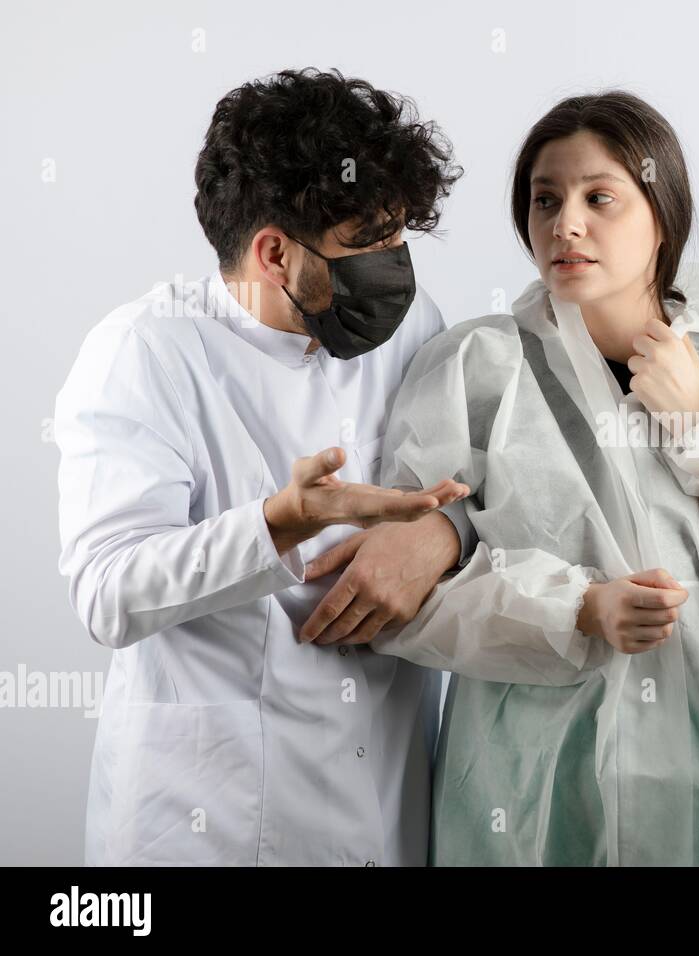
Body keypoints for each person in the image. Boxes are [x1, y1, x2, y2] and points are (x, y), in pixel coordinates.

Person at [345, 91, 699, 865]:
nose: (565, 224)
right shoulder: (477, 370)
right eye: (544, 200)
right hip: (525, 805)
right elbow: (404, 603)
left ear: (664, 217)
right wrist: (575, 611)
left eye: (599, 198)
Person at [54, 68, 471, 866]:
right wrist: (278, 523)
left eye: (398, 236)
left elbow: (470, 483)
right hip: (207, 811)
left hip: (380, 793)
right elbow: (107, 594)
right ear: (275, 253)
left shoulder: (417, 328)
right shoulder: (147, 351)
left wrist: (441, 535)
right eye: (368, 242)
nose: (394, 264)